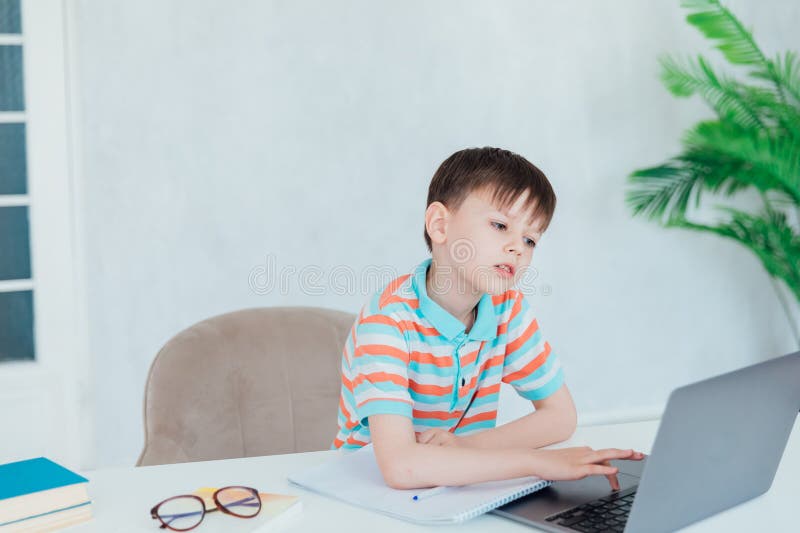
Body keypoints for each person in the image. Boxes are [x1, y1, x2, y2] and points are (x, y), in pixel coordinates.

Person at [332, 147, 643, 489]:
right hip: (368, 494)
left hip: (461, 487)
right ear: (439, 225)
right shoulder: (388, 321)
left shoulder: (507, 308)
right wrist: (536, 463)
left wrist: (464, 446)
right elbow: (401, 467)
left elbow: (561, 416)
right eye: (500, 225)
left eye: (530, 239)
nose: (518, 248)